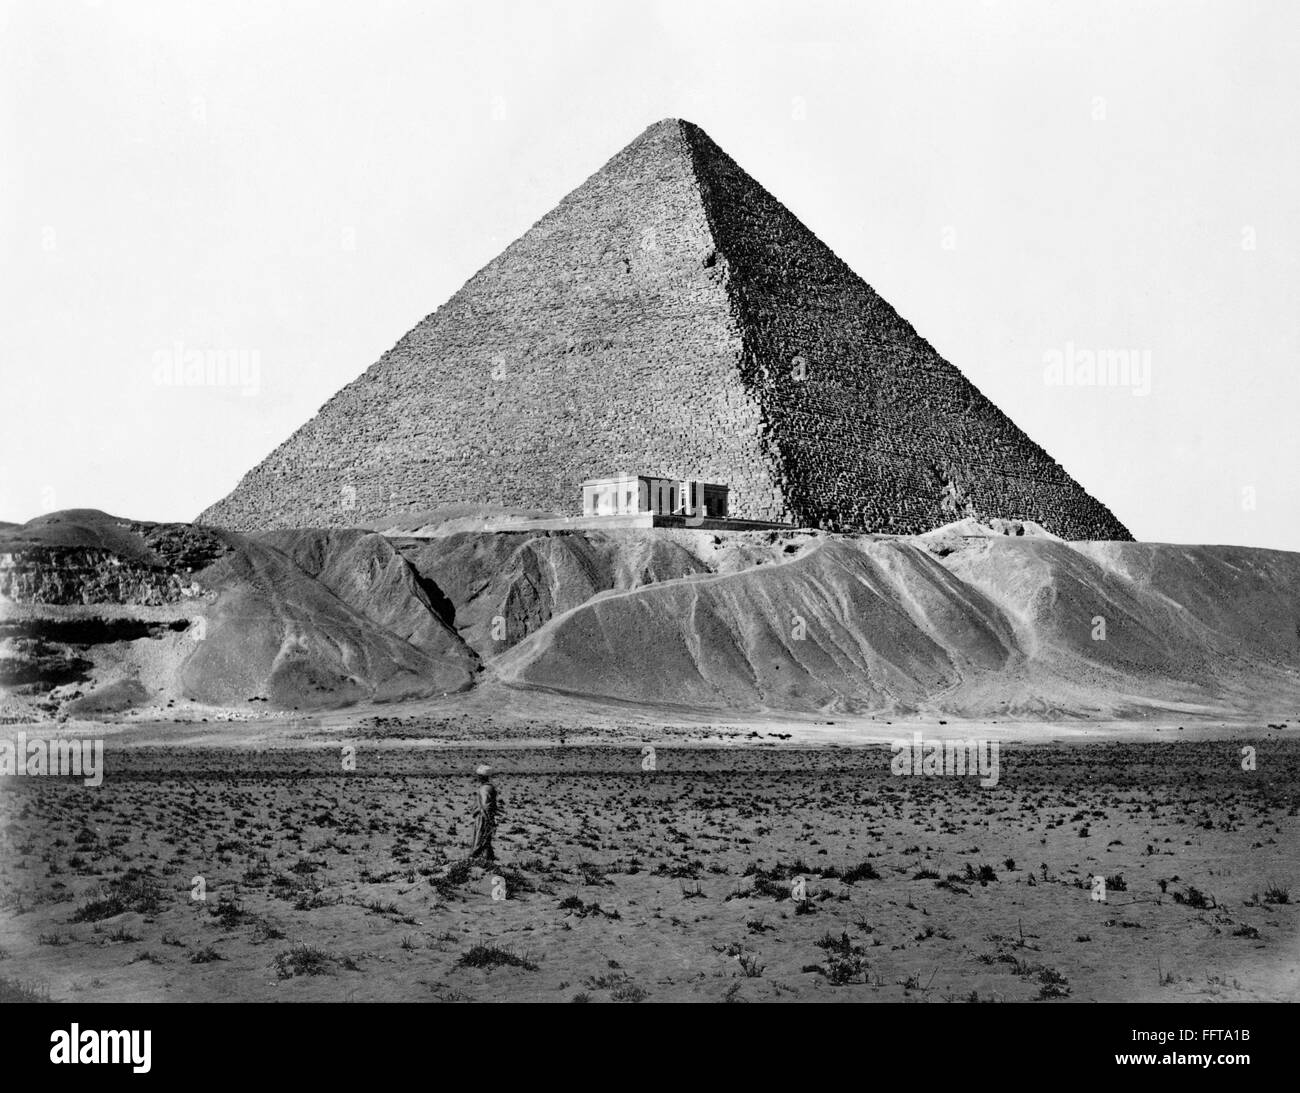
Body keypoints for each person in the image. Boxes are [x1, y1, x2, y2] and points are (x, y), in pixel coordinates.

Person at [468, 763, 500, 864]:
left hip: (483, 817)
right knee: (485, 838)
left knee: (480, 837)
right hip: (485, 816)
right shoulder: (488, 787)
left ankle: (474, 859)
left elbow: (486, 805)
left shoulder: (484, 788)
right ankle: (488, 860)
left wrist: (485, 816)